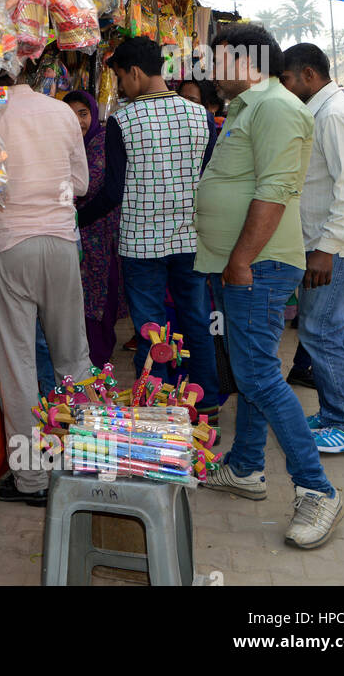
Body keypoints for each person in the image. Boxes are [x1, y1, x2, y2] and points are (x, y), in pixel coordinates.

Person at [196, 23, 344, 550]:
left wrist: (240, 259)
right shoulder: (248, 108)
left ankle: (317, 490)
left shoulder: (278, 108)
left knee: (258, 377)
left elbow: (275, 190)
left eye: (214, 60)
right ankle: (246, 467)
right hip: (240, 265)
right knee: (251, 369)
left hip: (257, 266)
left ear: (242, 60)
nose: (207, 71)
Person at [77, 38, 222, 422]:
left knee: (150, 327)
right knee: (195, 319)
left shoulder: (123, 122)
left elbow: (113, 190)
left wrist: (77, 220)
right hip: (190, 240)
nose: (122, 88)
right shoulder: (200, 116)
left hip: (141, 246)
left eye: (122, 78)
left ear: (136, 72)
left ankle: (154, 406)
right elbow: (209, 178)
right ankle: (205, 402)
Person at [0, 72, 91, 506]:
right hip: (62, 244)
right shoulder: (63, 111)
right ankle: (85, 459)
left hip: (9, 245)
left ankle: (31, 479)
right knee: (73, 356)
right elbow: (80, 185)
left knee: (18, 366)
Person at [278, 43, 344, 454]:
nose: (284, 88)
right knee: (328, 328)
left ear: (307, 75)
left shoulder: (335, 114)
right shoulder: (324, 110)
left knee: (321, 330)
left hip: (338, 243)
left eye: (286, 80)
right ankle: (335, 412)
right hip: (331, 239)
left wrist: (325, 249)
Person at [63, 91, 121, 367]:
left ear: (93, 114)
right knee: (77, 299)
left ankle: (99, 361)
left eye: (83, 113)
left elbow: (96, 188)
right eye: (70, 114)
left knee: (98, 299)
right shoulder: (63, 143)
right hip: (73, 236)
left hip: (99, 233)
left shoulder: (101, 141)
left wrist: (76, 217)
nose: (77, 121)